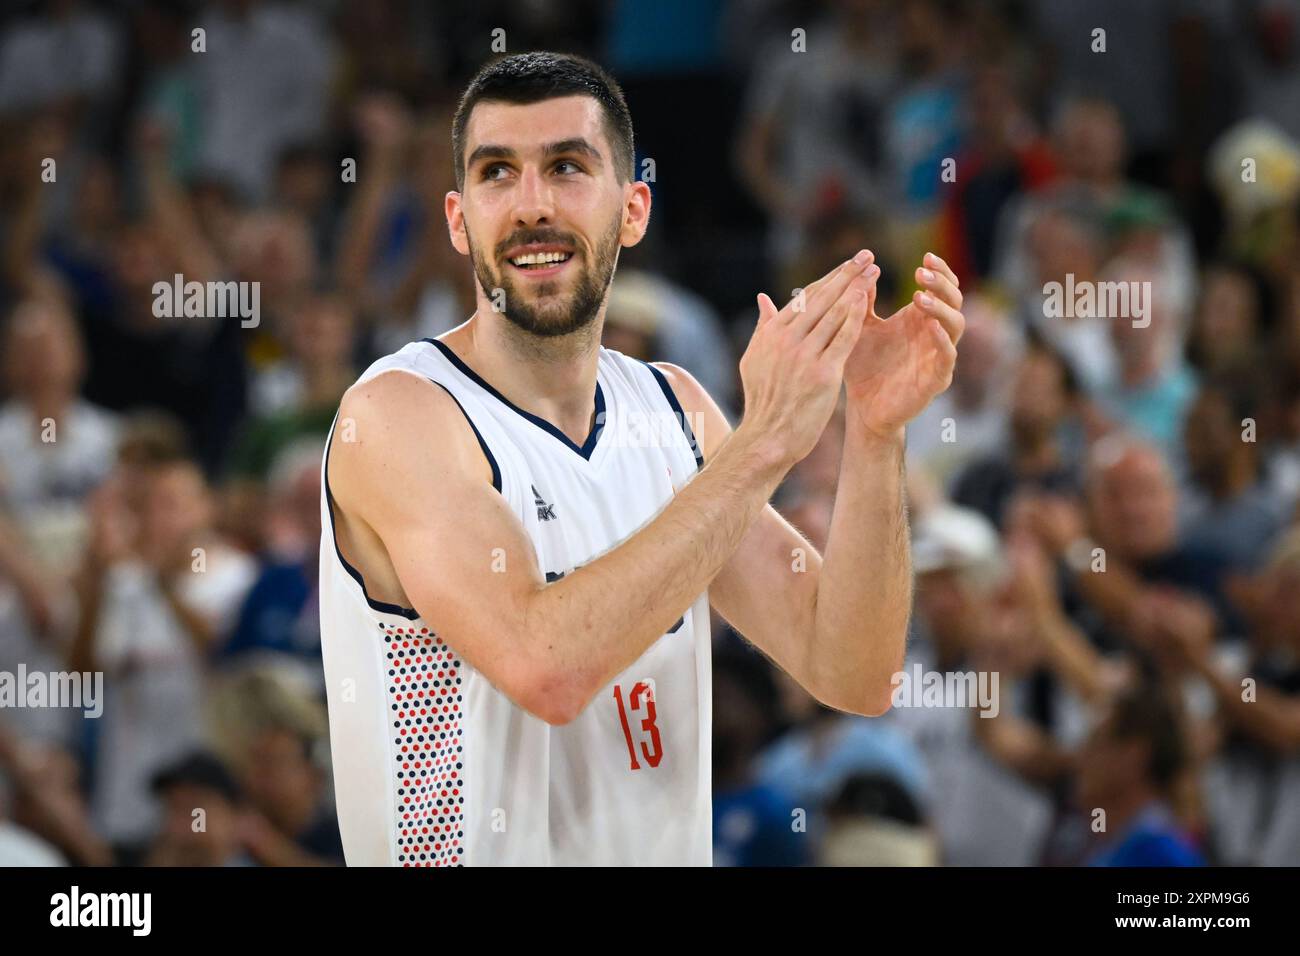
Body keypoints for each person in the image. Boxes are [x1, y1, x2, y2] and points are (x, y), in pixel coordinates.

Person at [320, 52, 965, 866]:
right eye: (497, 173)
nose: (531, 206)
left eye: (565, 167)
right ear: (458, 219)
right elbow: (544, 666)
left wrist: (874, 433)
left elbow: (854, 672)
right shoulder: (396, 416)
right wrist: (765, 441)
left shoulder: (674, 411)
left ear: (633, 210)